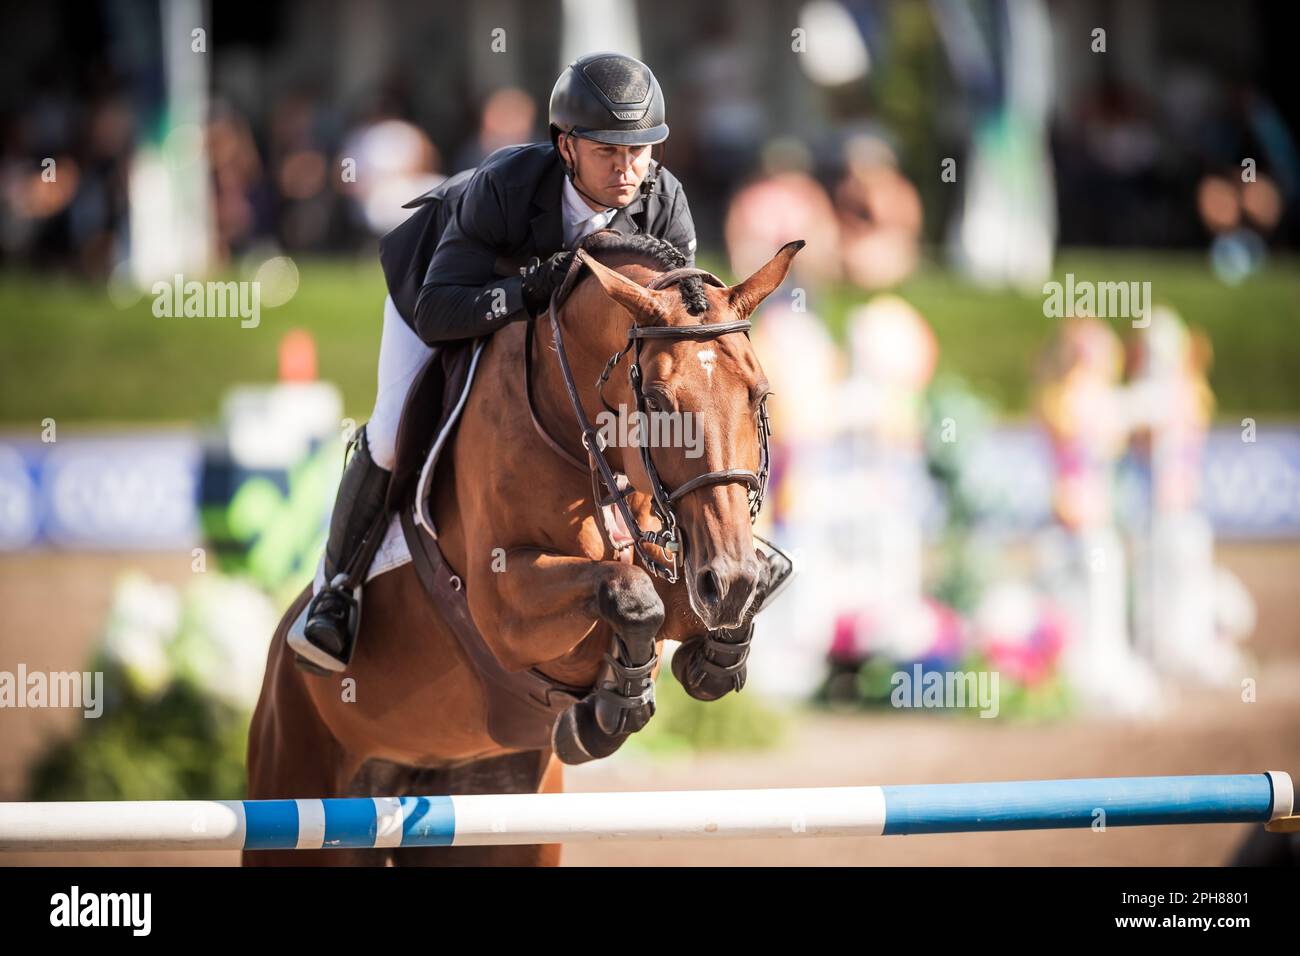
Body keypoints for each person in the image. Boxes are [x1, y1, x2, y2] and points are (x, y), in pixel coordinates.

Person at [293, 52, 698, 672]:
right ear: (565, 147)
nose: (627, 169)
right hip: (442, 294)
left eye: (639, 151)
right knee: (390, 434)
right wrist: (529, 291)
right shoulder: (507, 187)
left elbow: (677, 332)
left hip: (559, 341)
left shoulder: (664, 203)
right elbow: (440, 311)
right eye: (607, 152)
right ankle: (336, 593)